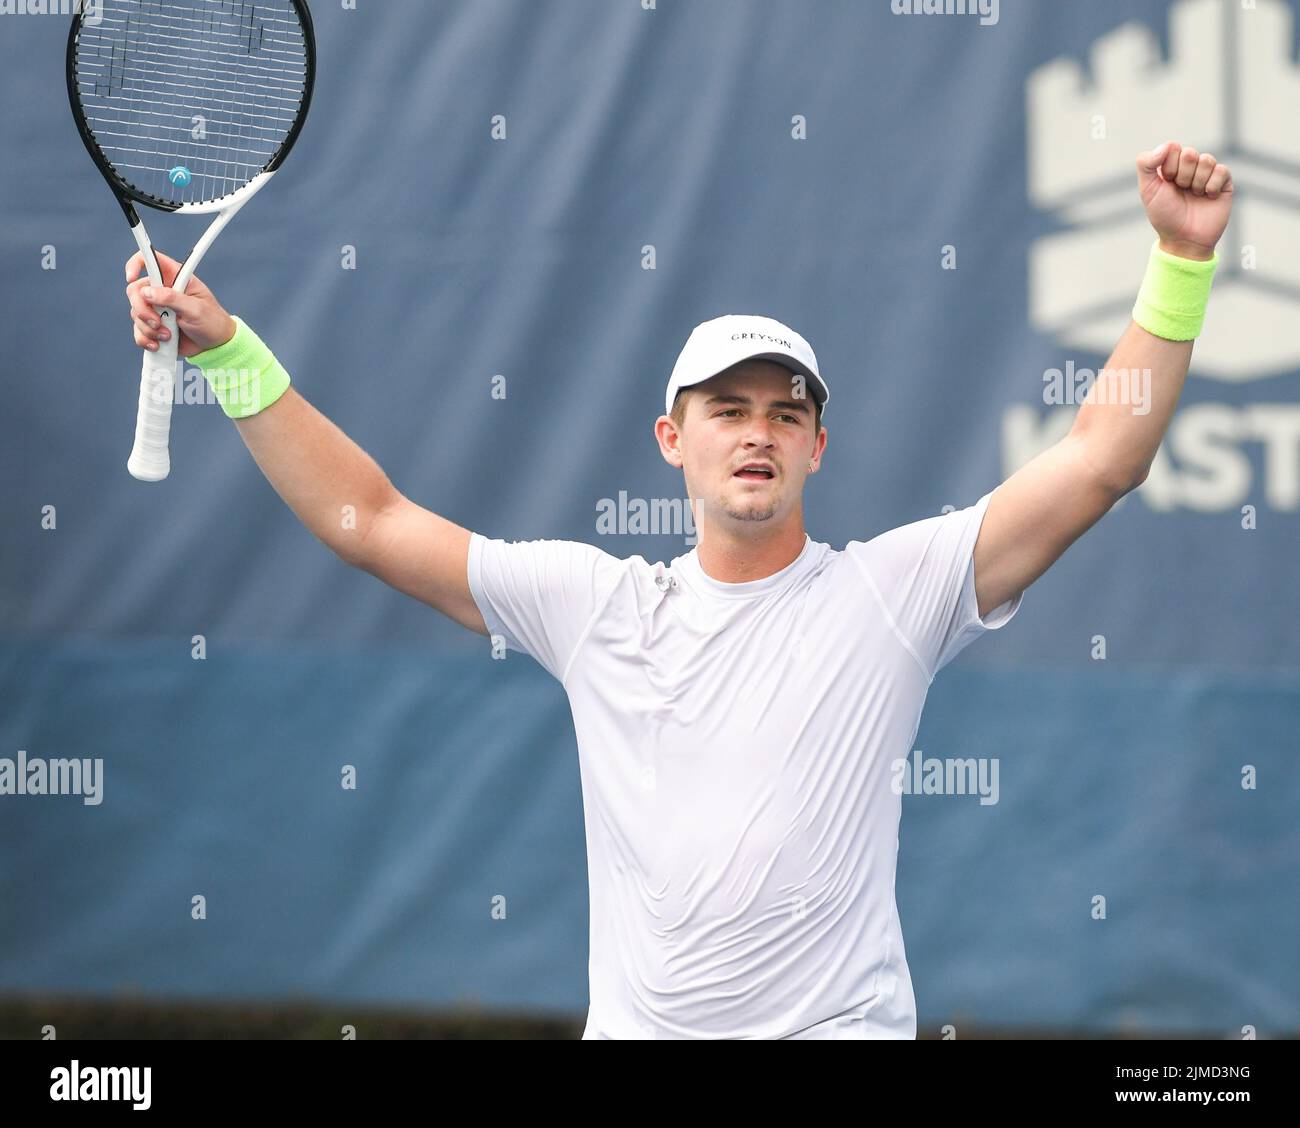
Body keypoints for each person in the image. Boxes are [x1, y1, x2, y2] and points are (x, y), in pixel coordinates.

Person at [122, 140, 1231, 1039]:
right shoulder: (592, 602)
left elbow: (1100, 459)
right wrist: (228, 350)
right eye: (728, 409)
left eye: (785, 412)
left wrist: (1178, 263)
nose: (758, 431)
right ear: (671, 438)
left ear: (816, 448)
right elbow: (368, 518)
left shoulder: (895, 589)